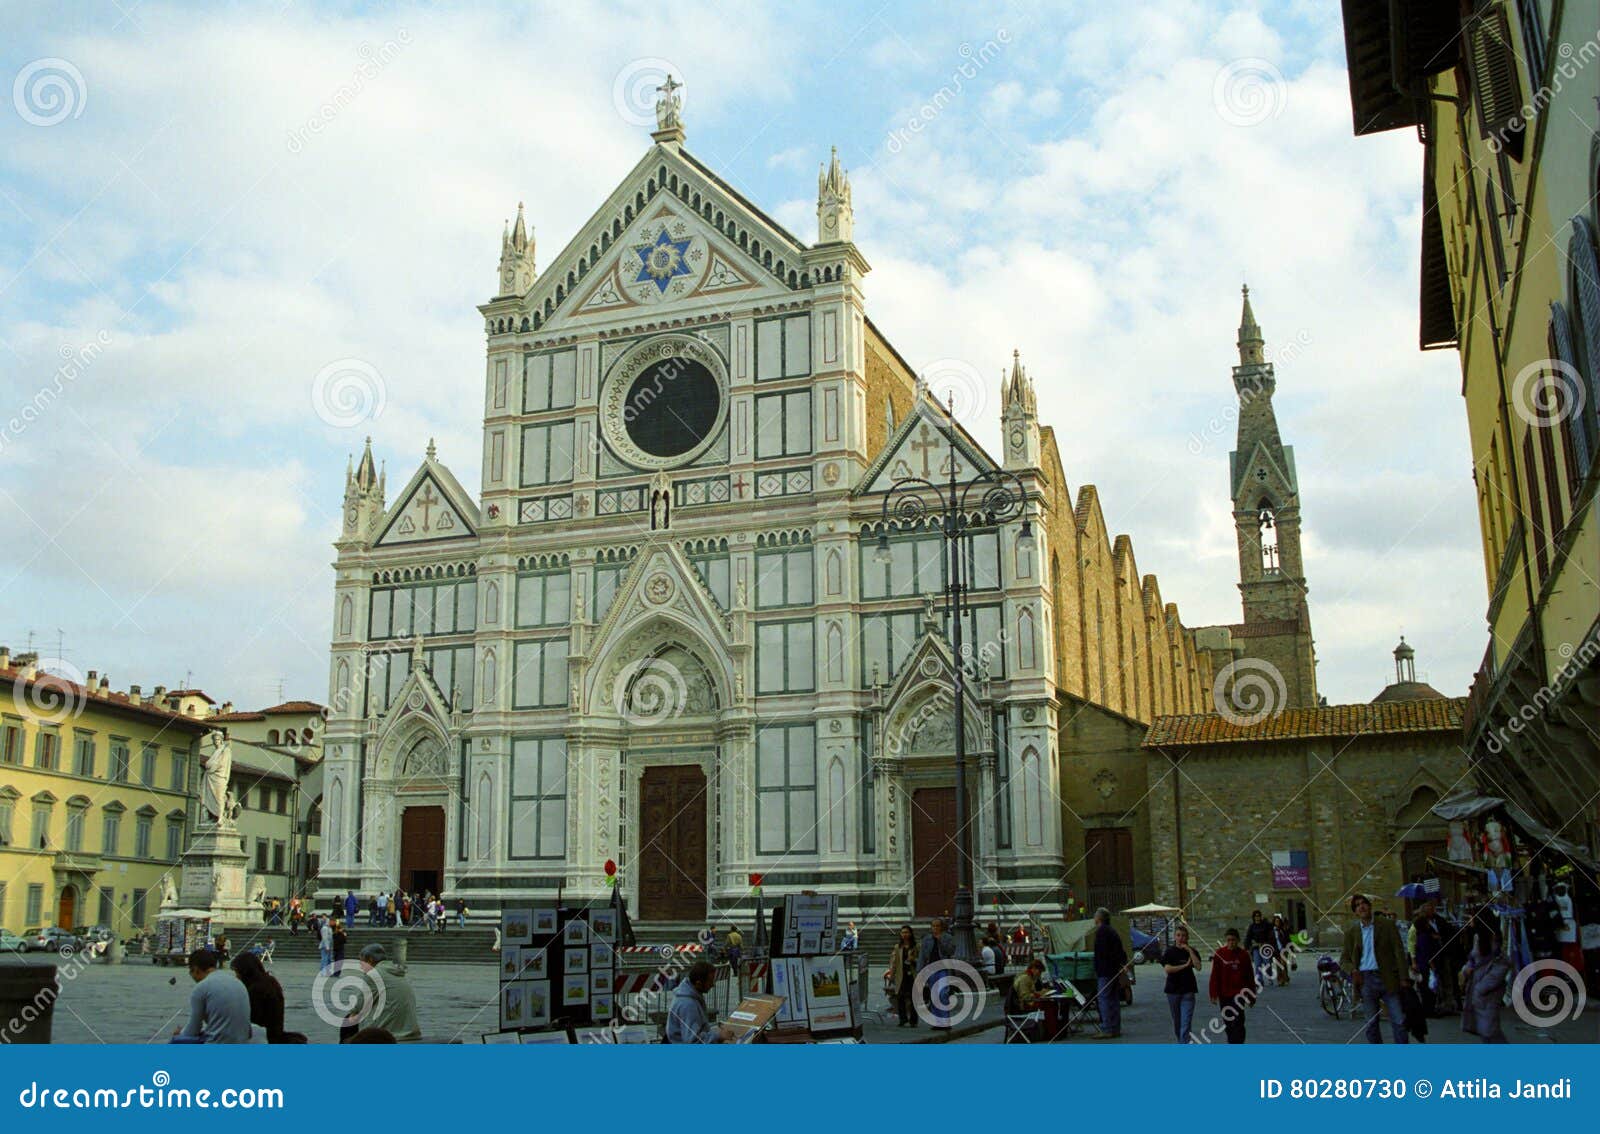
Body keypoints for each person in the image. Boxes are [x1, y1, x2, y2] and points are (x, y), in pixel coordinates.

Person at [1340, 894, 1409, 1044]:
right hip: (1366, 980)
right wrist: (1352, 970)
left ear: (1370, 906)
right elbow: (1344, 960)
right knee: (1371, 1024)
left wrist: (1404, 977)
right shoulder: (1352, 932)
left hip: (1388, 977)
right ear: (1355, 912)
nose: (1361, 907)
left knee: (1399, 1021)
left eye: (1363, 903)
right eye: (1357, 905)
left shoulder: (1387, 925)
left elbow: (1398, 952)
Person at [342, 943, 421, 1043]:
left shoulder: (374, 974)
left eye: (361, 962)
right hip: (409, 1030)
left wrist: (352, 1016)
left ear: (370, 959)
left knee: (347, 1023)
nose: (361, 967)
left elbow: (360, 1004)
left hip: (388, 1033)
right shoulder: (395, 972)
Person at [173, 947, 252, 1044]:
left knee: (176, 1041)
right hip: (243, 1042)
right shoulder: (236, 982)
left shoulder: (201, 988)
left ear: (196, 969)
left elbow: (193, 1030)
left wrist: (180, 1033)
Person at [231, 951, 303, 1044]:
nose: (236, 977)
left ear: (245, 972)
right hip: (275, 1034)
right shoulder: (270, 982)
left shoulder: (256, 990)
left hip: (264, 1038)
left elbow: (253, 1020)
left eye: (237, 973)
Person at [1459, 927, 1510, 1043]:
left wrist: (1480, 989)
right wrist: (1466, 970)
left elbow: (1498, 970)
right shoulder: (1478, 939)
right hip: (1477, 992)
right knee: (1485, 1029)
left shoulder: (1496, 947)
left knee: (1489, 1030)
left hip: (1488, 993)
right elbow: (1471, 960)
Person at [1208, 928, 1257, 1043]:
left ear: (1238, 940)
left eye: (1233, 940)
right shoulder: (1220, 954)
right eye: (1228, 940)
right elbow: (1215, 975)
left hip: (1239, 994)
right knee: (1228, 1022)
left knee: (1238, 1021)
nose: (1231, 943)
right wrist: (1213, 993)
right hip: (1224, 994)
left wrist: (1252, 996)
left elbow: (1249, 976)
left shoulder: (1244, 955)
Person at [665, 960, 732, 1043]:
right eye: (710, 981)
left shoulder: (691, 993)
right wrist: (719, 1036)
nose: (713, 985)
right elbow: (693, 1041)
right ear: (698, 983)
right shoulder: (688, 1005)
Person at [1090, 907, 1126, 1038]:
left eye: (1095, 916)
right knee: (1113, 999)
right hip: (1113, 969)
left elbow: (1102, 953)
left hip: (1105, 970)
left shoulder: (1101, 932)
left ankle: (1106, 1028)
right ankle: (1115, 1027)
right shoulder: (1112, 930)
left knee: (1104, 998)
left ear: (1099, 918)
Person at [1161, 925, 1201, 1043]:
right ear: (1175, 937)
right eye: (1178, 935)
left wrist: (1189, 950)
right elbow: (1168, 969)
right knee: (1177, 1021)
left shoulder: (1192, 951)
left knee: (1186, 1022)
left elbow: (1198, 966)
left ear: (1187, 937)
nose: (1181, 938)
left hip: (1188, 990)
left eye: (1183, 936)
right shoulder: (1169, 951)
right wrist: (1185, 966)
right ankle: (1181, 1040)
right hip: (1173, 991)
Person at [918, 918, 954, 1027]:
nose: (935, 928)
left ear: (942, 927)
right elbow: (922, 956)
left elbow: (950, 951)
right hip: (931, 969)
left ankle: (945, 1021)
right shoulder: (927, 939)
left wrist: (940, 941)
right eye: (933, 926)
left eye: (937, 926)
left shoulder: (947, 938)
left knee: (943, 994)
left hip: (943, 969)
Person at [886, 925, 919, 1027]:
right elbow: (894, 963)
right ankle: (903, 1019)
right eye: (903, 932)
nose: (905, 934)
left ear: (911, 934)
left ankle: (913, 1020)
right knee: (900, 997)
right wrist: (891, 976)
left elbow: (921, 960)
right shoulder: (898, 947)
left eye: (907, 932)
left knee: (913, 998)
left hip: (913, 975)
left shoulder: (916, 946)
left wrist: (913, 960)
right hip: (901, 975)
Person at [1412, 903, 1442, 1017]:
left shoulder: (1422, 936)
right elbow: (1427, 953)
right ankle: (1429, 1010)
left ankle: (1428, 1009)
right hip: (1426, 966)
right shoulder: (1424, 937)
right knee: (1429, 989)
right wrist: (1432, 966)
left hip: (1423, 965)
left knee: (1425, 989)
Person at [1244, 910, 1274, 987]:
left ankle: (1269, 977)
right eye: (1256, 916)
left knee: (1267, 963)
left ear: (1260, 916)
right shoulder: (1252, 926)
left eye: (1258, 916)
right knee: (1257, 965)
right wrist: (1246, 947)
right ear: (1253, 917)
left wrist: (1267, 943)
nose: (1257, 917)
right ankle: (1259, 980)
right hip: (1256, 948)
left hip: (1265, 947)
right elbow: (1248, 937)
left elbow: (1270, 933)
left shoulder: (1265, 924)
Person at [1270, 914, 1292, 986]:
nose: (1277, 922)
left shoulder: (1283, 930)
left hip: (1283, 950)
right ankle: (1280, 980)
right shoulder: (1272, 931)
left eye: (1278, 921)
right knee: (1278, 965)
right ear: (1274, 922)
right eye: (1276, 921)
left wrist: (1291, 948)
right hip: (1276, 950)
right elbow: (1270, 941)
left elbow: (1288, 939)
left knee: (1283, 964)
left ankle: (1285, 978)